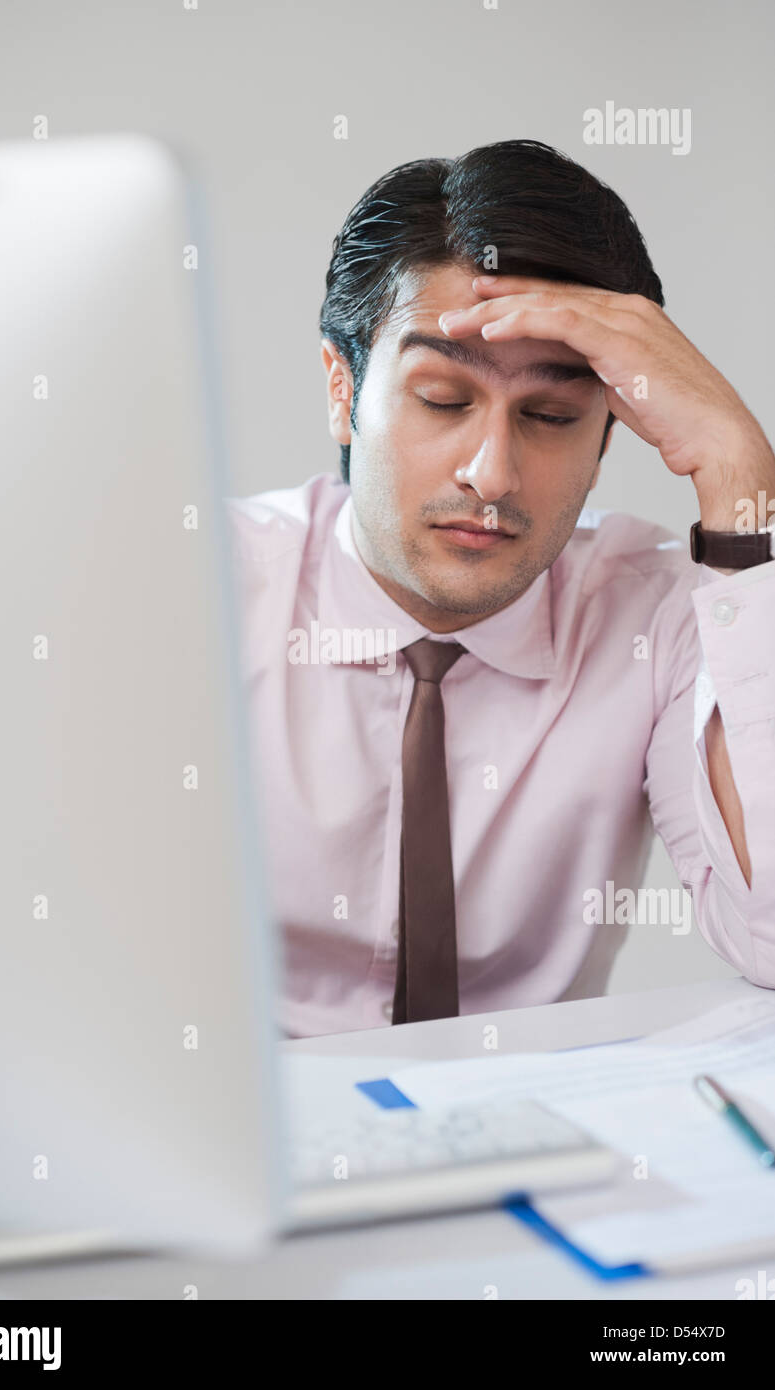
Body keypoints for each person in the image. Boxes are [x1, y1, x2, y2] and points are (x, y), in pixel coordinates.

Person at [228, 139, 775, 1040]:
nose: (492, 473)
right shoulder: (199, 590)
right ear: (343, 390)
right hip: (240, 1145)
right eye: (443, 400)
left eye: (552, 416)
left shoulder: (666, 613)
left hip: (536, 1142)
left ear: (607, 433)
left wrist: (738, 474)